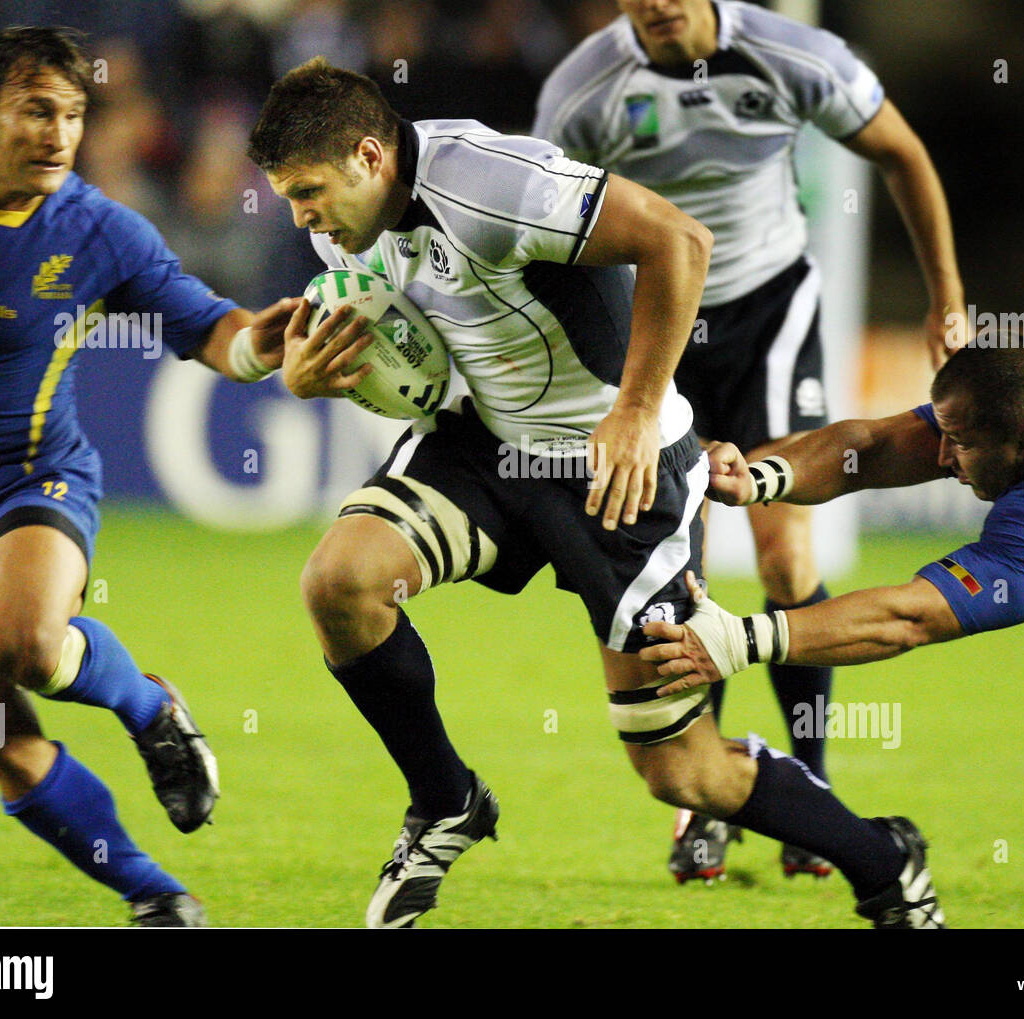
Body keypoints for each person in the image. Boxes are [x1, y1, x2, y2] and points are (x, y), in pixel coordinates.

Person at [248, 57, 944, 929]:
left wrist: (637, 407)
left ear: (368, 155)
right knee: (339, 581)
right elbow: (409, 356)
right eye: (286, 197)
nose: (301, 215)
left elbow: (679, 240)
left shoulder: (492, 180)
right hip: (489, 448)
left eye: (308, 191)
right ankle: (446, 800)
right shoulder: (340, 230)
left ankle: (884, 861)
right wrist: (310, 379)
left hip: (621, 474)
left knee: (682, 773)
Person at [534, 0, 968, 882]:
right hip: (656, 325)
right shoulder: (583, 90)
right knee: (674, 569)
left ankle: (809, 792)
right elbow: (542, 228)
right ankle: (708, 801)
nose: (653, 4)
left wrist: (946, 297)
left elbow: (904, 154)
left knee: (781, 558)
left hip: (772, 314)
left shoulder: (790, 54)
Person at [0, 27, 296, 927]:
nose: (59, 134)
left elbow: (207, 329)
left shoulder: (96, 229)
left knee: (24, 643)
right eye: (37, 110)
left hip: (29, 478)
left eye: (75, 115)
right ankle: (156, 895)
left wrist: (258, 344)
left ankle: (144, 703)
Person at [640, 344, 1024, 692]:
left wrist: (742, 640)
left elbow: (910, 618)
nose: (940, 457)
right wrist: (763, 478)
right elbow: (876, 446)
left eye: (957, 443)